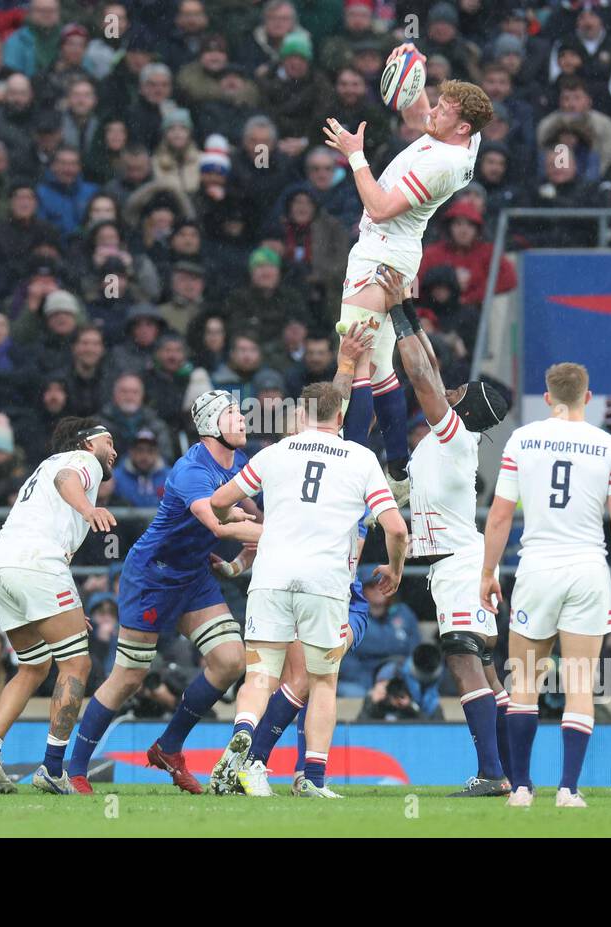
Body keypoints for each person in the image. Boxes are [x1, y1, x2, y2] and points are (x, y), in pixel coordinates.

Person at [207, 379, 407, 798]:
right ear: (339, 417)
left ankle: (243, 738)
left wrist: (226, 517)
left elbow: (221, 498)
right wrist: (395, 566)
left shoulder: (275, 453)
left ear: (302, 415)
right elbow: (396, 528)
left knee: (260, 676)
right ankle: (312, 778)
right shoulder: (360, 458)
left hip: (271, 578)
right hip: (325, 584)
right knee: (321, 682)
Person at [65, 390, 262, 794]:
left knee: (229, 661)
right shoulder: (192, 470)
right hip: (153, 576)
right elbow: (218, 527)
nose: (242, 420)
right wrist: (287, 536)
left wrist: (235, 566)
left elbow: (253, 530)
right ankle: (76, 768)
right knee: (129, 677)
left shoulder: (240, 463)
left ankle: (168, 748)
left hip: (193, 575)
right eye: (231, 414)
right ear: (210, 425)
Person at [321, 45, 492, 506]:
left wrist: (355, 156)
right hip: (394, 251)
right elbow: (421, 114)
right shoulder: (464, 137)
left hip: (380, 251)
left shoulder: (443, 164)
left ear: (462, 128)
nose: (430, 112)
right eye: (436, 102)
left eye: (443, 110)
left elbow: (378, 205)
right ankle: (395, 465)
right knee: (377, 366)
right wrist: (414, 66)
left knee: (353, 360)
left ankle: (351, 461)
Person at [376, 263, 512, 797]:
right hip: (459, 561)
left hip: (457, 562)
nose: (453, 386)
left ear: (465, 407)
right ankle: (509, 772)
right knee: (484, 666)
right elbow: (430, 364)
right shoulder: (455, 435)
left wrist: (391, 313)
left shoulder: (452, 435)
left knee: (462, 658)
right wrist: (409, 307)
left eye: (462, 389)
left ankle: (493, 773)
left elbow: (421, 375)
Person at [481, 362, 611, 808]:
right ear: (587, 398)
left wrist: (487, 573)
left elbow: (499, 515)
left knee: (525, 682)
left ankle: (522, 788)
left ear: (548, 397)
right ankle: (568, 789)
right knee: (579, 684)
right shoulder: (608, 446)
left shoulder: (522, 439)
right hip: (588, 569)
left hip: (536, 568)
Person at [229, 322, 378, 797]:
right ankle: (279, 768)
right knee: (308, 678)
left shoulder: (309, 450)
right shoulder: (316, 454)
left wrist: (351, 365)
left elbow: (338, 407)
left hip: (326, 580)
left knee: (298, 678)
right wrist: (352, 364)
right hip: (325, 579)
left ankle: (257, 759)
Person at [0, 417, 117, 795]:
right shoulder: (83, 463)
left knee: (33, 666)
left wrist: (63, 606)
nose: (113, 451)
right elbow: (66, 480)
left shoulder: (42, 465)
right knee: (77, 664)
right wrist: (88, 509)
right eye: (108, 442)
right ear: (87, 444)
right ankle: (53, 769)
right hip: (38, 565)